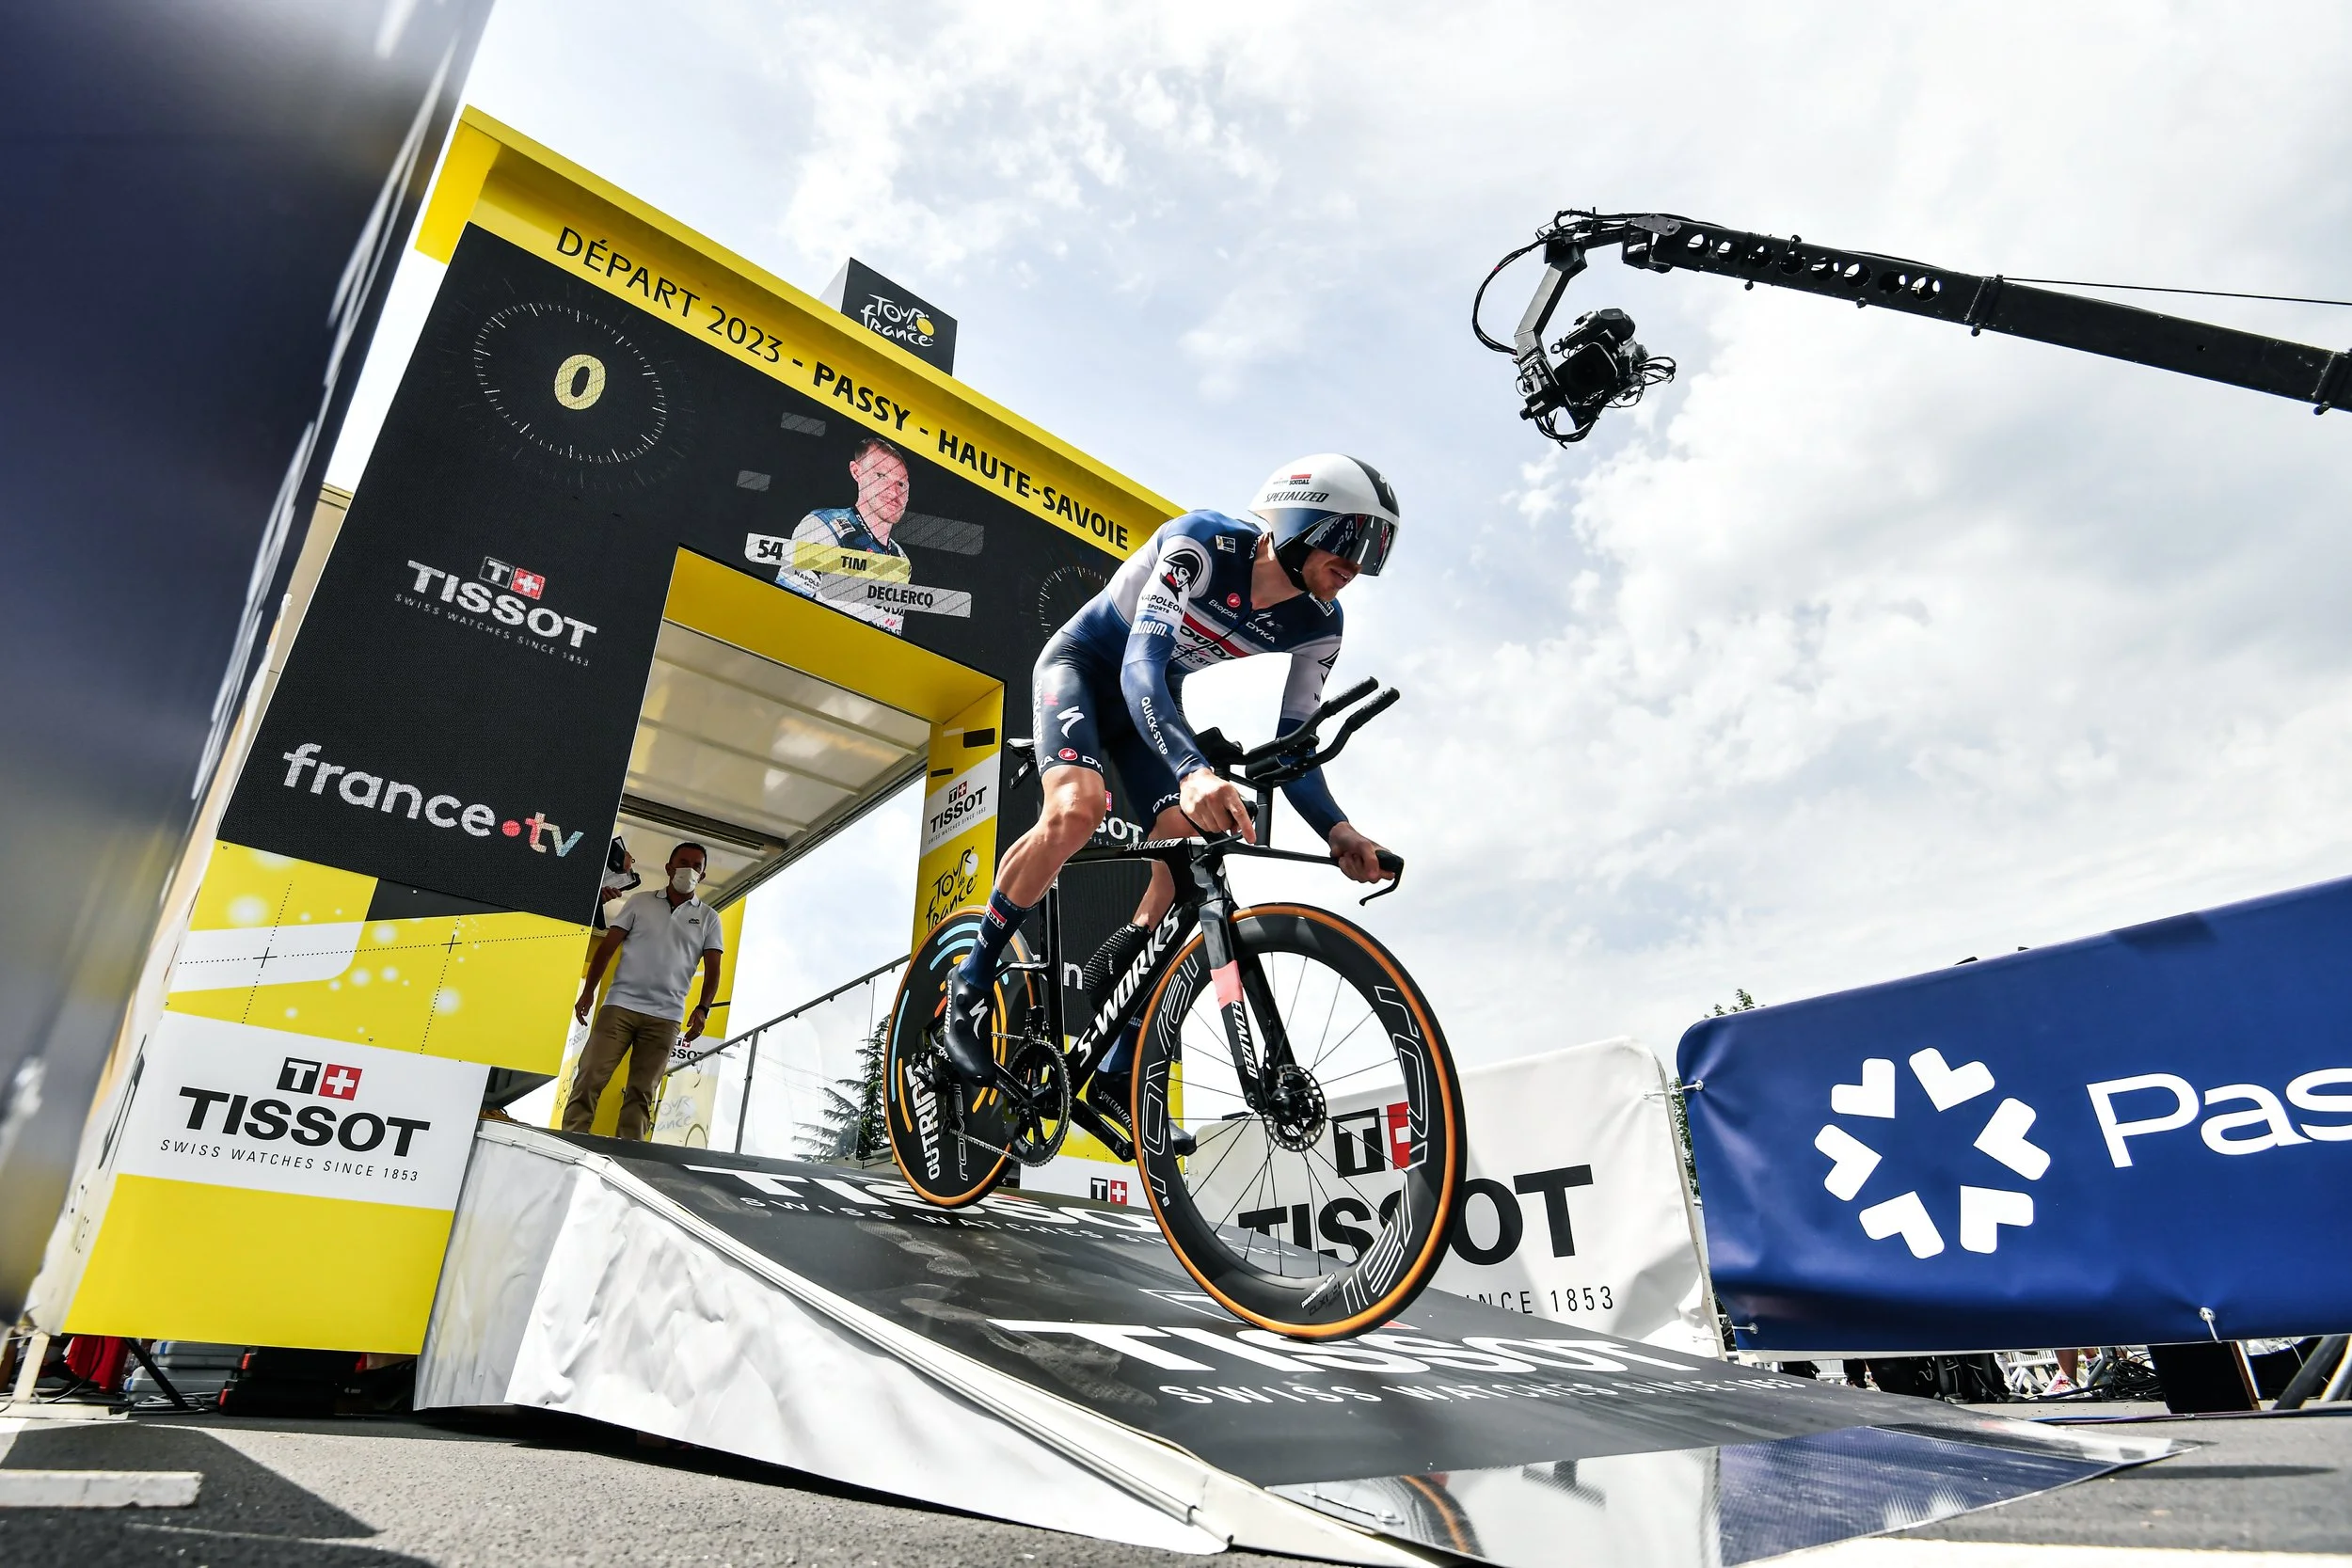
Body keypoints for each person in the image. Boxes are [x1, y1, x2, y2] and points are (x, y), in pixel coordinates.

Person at [941, 453, 1403, 1132]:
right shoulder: (1203, 546)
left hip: (1150, 702)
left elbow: (1296, 749)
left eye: (1378, 550)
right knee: (1075, 811)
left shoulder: (1321, 625)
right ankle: (971, 982)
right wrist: (1191, 770)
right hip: (1090, 671)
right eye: (1353, 540)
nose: (1360, 565)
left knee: (1189, 857)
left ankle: (1116, 1052)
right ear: (1305, 520)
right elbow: (1140, 666)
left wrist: (1339, 830)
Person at [565, 842, 723, 1140]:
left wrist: (703, 1009)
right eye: (683, 862)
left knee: (641, 1092)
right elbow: (607, 949)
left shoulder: (709, 918)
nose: (688, 869)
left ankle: (629, 1156)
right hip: (619, 1007)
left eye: (696, 866)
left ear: (702, 876)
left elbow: (714, 969)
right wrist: (589, 992)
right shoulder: (639, 902)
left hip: (666, 1018)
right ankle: (573, 1138)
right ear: (669, 867)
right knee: (589, 1077)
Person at [775, 437, 914, 634]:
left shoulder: (901, 559)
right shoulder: (823, 526)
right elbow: (784, 611)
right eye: (881, 476)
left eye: (901, 484)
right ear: (856, 472)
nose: (893, 492)